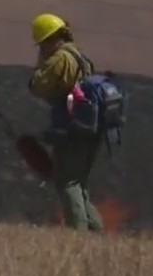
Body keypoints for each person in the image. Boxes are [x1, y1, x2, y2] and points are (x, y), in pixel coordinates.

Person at [27, 13, 104, 233]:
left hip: (72, 128)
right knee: (79, 182)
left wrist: (42, 62)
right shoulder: (79, 54)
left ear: (48, 39)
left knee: (67, 182)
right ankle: (95, 229)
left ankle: (78, 232)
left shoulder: (60, 58)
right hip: (91, 126)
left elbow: (37, 86)